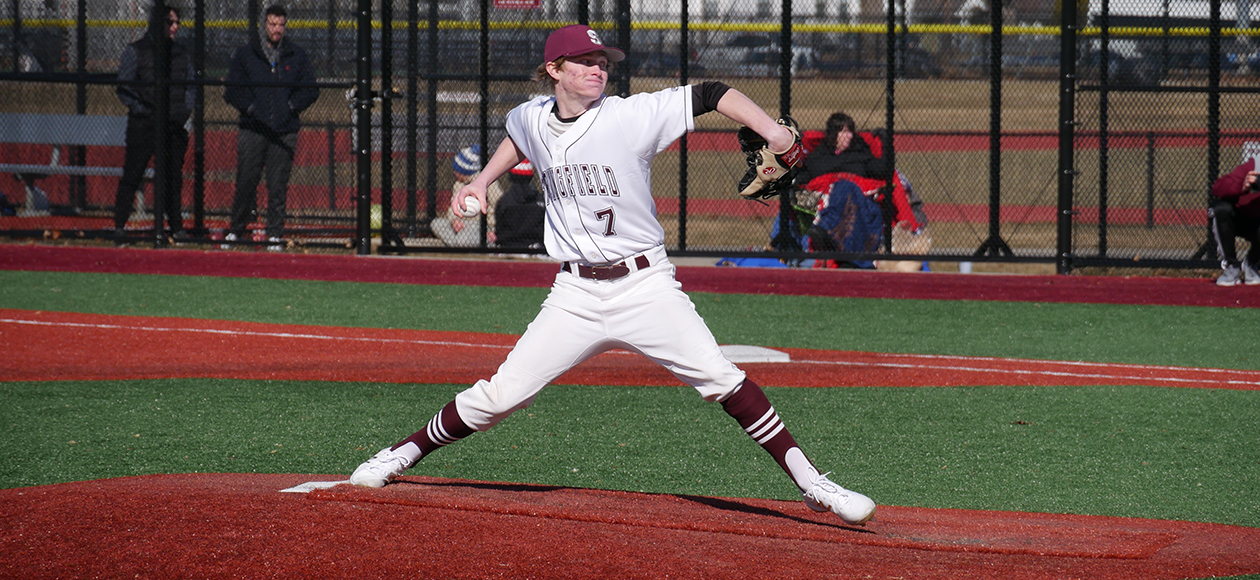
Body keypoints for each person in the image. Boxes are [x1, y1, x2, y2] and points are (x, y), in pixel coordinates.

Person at [349, 24, 877, 526]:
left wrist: (774, 134)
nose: (598, 69)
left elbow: (712, 92)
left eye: (602, 61)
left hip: (645, 286)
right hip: (575, 293)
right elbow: (520, 136)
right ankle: (401, 453)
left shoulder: (628, 116)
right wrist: (482, 180)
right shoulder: (532, 116)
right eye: (584, 61)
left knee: (721, 378)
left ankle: (814, 484)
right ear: (554, 69)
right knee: (501, 395)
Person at [222, 4, 318, 249]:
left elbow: (310, 90)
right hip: (253, 128)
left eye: (281, 25)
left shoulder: (296, 55)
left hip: (283, 131)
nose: (277, 29)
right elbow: (232, 90)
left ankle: (274, 233)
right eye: (273, 24)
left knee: (277, 184)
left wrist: (291, 107)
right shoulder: (246, 54)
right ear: (264, 24)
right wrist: (251, 108)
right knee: (246, 180)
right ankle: (236, 230)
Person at [113, 2, 194, 243]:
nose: (175, 27)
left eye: (177, 22)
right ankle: (119, 226)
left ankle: (175, 227)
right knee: (133, 173)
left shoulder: (181, 54)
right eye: (170, 22)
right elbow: (124, 87)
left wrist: (182, 112)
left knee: (172, 178)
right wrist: (143, 109)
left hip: (173, 125)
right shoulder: (136, 51)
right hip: (144, 125)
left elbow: (191, 87)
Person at [430, 144, 502, 247]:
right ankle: (460, 245)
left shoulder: (488, 183)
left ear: (464, 171)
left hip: (480, 225)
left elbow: (498, 206)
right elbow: (453, 208)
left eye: (456, 170)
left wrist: (495, 230)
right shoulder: (458, 184)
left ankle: (484, 242)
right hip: (462, 224)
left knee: (462, 240)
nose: (454, 172)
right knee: (436, 224)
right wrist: (454, 220)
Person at [1209, 156, 1260, 286]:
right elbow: (1217, 187)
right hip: (1239, 218)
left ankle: (1251, 264)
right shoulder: (1254, 166)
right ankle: (1231, 267)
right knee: (1221, 209)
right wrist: (1242, 186)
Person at [493, 159, 545, 249]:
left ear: (511, 175)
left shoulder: (505, 200)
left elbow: (499, 226)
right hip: (536, 247)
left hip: (508, 247)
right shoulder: (540, 199)